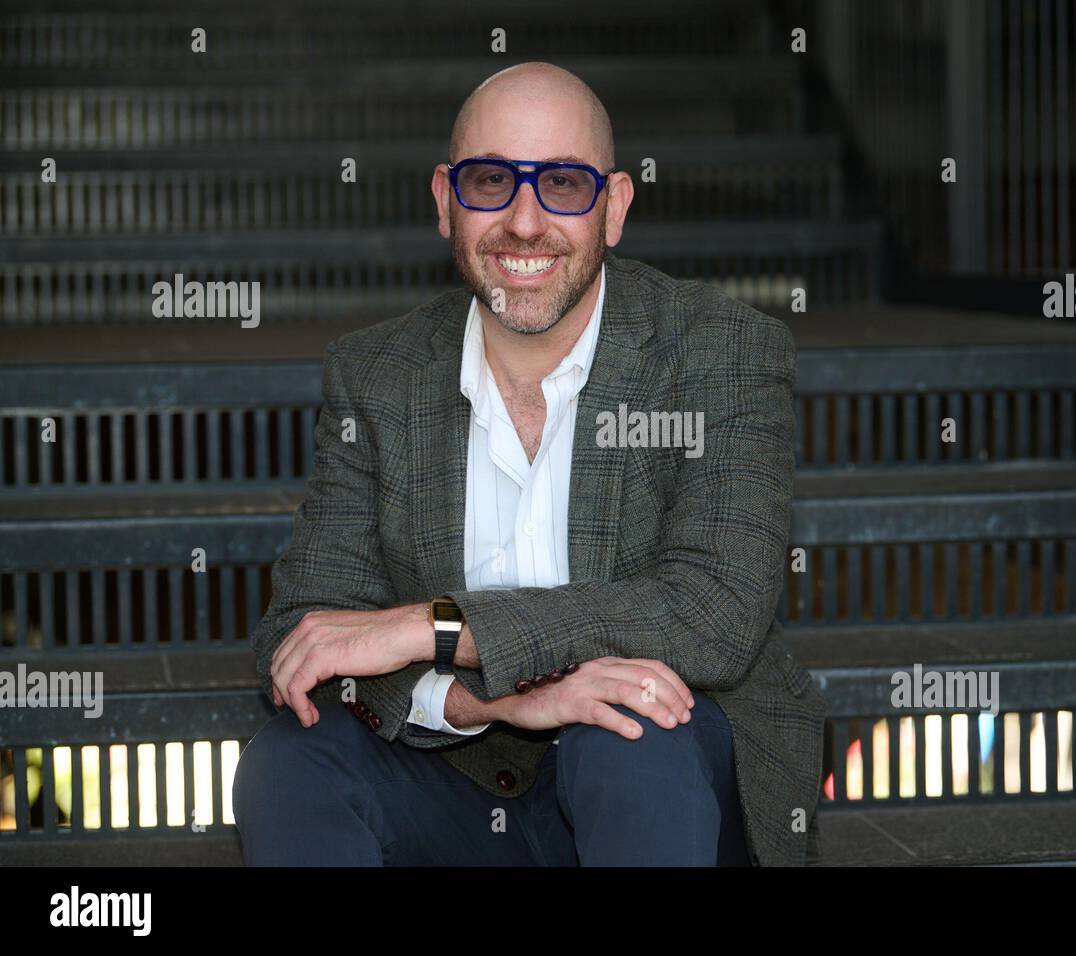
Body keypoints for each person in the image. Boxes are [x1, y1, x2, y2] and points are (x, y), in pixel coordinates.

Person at [232, 61, 825, 866]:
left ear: (614, 208)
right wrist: (490, 699)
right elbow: (303, 637)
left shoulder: (720, 351)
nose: (523, 220)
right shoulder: (375, 376)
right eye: (490, 181)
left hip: (654, 774)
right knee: (289, 762)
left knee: (622, 729)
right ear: (445, 201)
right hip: (459, 772)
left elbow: (710, 611)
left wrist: (430, 627)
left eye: (564, 186)